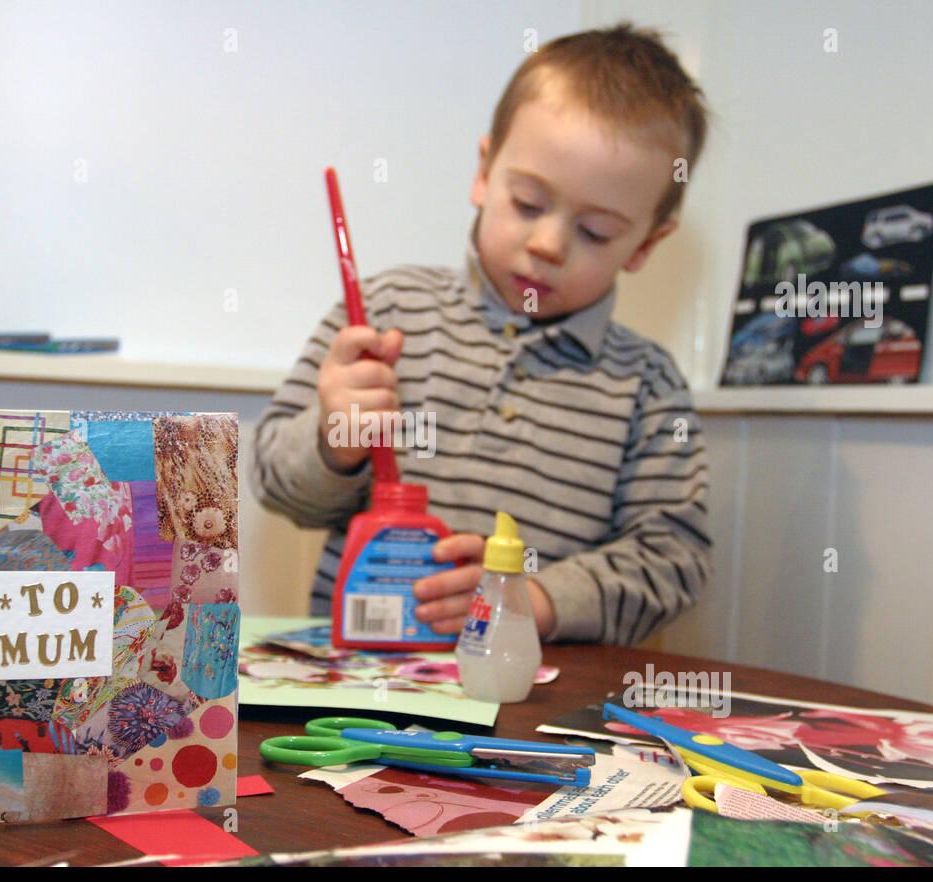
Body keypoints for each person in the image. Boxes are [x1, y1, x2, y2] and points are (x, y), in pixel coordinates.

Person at [251, 24, 711, 645]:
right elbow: (279, 490)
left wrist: (531, 598)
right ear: (483, 171)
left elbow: (672, 558)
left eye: (596, 232)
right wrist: (334, 441)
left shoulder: (647, 384)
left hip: (530, 708)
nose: (547, 244)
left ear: (647, 244)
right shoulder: (385, 311)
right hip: (357, 695)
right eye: (527, 202)